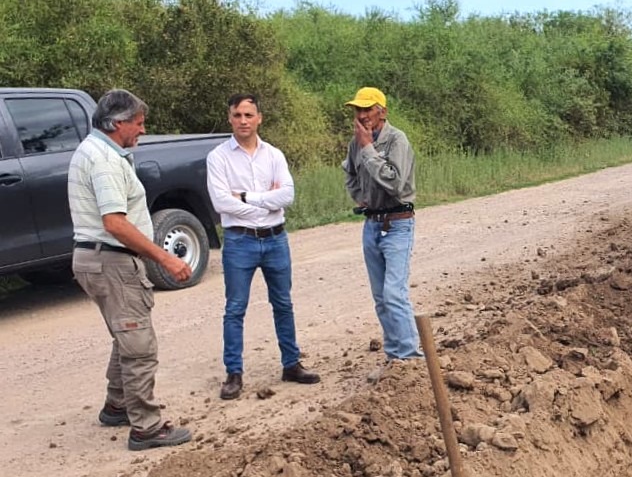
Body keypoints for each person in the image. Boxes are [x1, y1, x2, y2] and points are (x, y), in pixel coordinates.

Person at [69, 89, 193, 451]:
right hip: (112, 260)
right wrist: (165, 258)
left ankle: (117, 404)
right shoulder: (105, 161)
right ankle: (146, 427)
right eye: (138, 123)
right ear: (117, 123)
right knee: (139, 344)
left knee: (125, 334)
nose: (142, 129)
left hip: (92, 259)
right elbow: (115, 223)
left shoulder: (92, 151)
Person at [206, 93, 320, 400]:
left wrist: (245, 198)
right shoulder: (218, 157)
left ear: (259, 118)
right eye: (237, 115)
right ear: (229, 118)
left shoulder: (274, 155)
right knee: (235, 308)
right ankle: (234, 373)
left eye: (248, 115)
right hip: (239, 240)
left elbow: (287, 196)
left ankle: (291, 364)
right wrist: (265, 203)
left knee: (283, 303)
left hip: (275, 239)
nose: (243, 121)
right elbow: (220, 203)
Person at [343, 87, 421, 376]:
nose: (362, 115)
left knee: (394, 293)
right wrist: (359, 195)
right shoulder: (356, 144)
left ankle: (410, 358)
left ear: (382, 112)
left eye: (368, 109)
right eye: (358, 110)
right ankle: (394, 359)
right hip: (372, 223)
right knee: (380, 296)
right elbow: (349, 172)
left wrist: (368, 149)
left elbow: (396, 184)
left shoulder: (396, 140)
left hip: (398, 223)